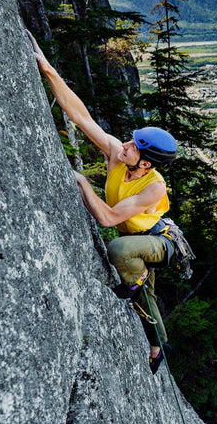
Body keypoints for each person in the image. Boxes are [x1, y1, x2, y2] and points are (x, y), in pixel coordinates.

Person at [28, 31, 175, 373]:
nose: (124, 144)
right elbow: (81, 117)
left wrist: (81, 181)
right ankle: (157, 346)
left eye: (134, 146)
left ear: (146, 163)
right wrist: (47, 69)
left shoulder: (154, 187)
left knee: (122, 253)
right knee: (146, 299)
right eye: (129, 140)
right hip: (140, 239)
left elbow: (108, 219)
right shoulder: (117, 154)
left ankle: (137, 289)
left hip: (160, 241)